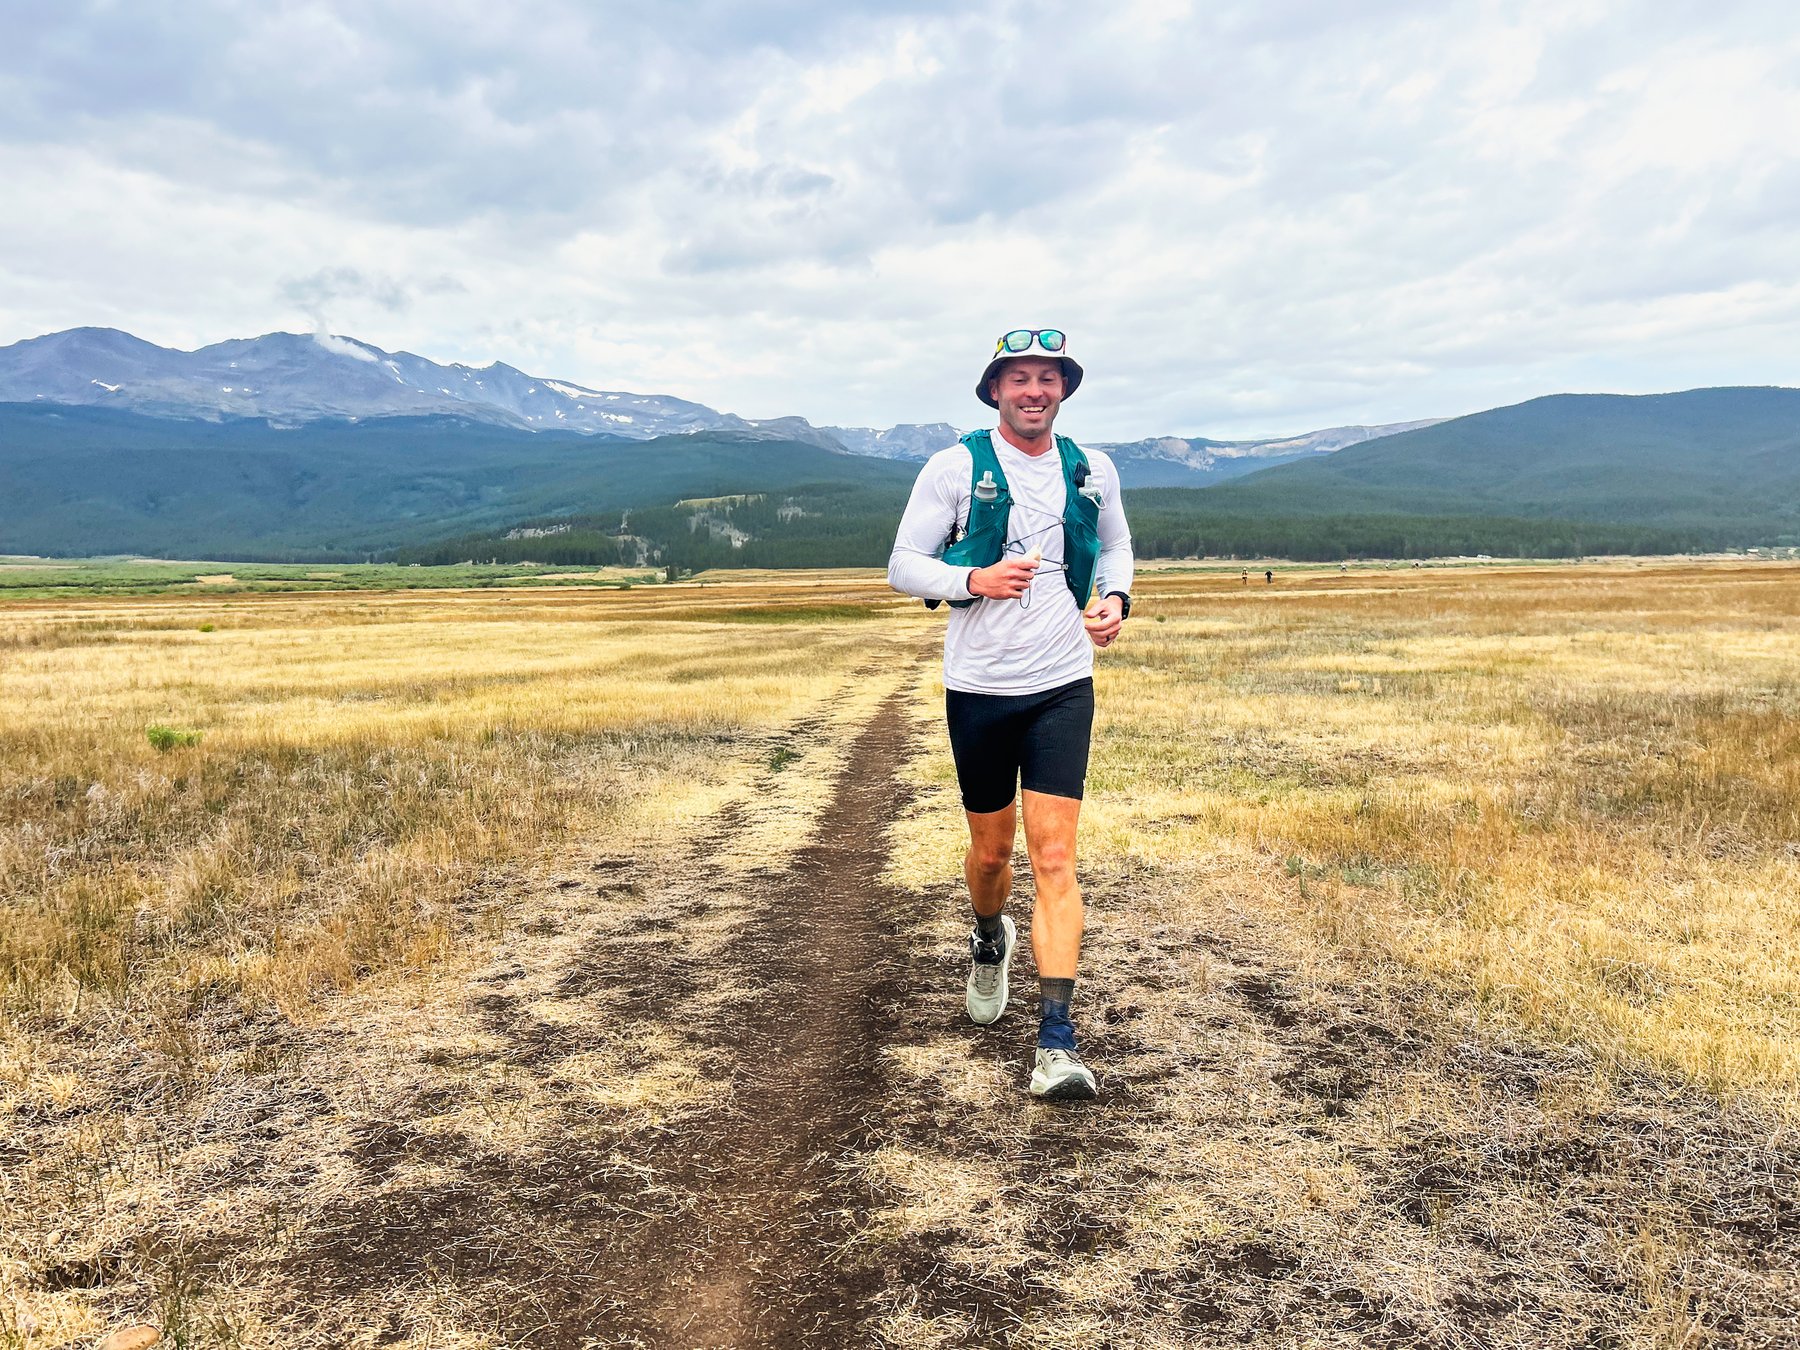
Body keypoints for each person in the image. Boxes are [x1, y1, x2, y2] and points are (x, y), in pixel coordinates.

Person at [887, 328, 1134, 1101]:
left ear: (1064, 389)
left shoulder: (1092, 470)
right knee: (992, 857)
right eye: (1019, 378)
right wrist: (975, 581)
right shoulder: (954, 468)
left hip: (1062, 685)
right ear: (995, 390)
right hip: (980, 690)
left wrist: (1116, 599)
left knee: (1054, 857)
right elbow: (903, 565)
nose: (1034, 390)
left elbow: (1117, 546)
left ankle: (1056, 1043)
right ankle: (990, 935)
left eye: (1047, 378)